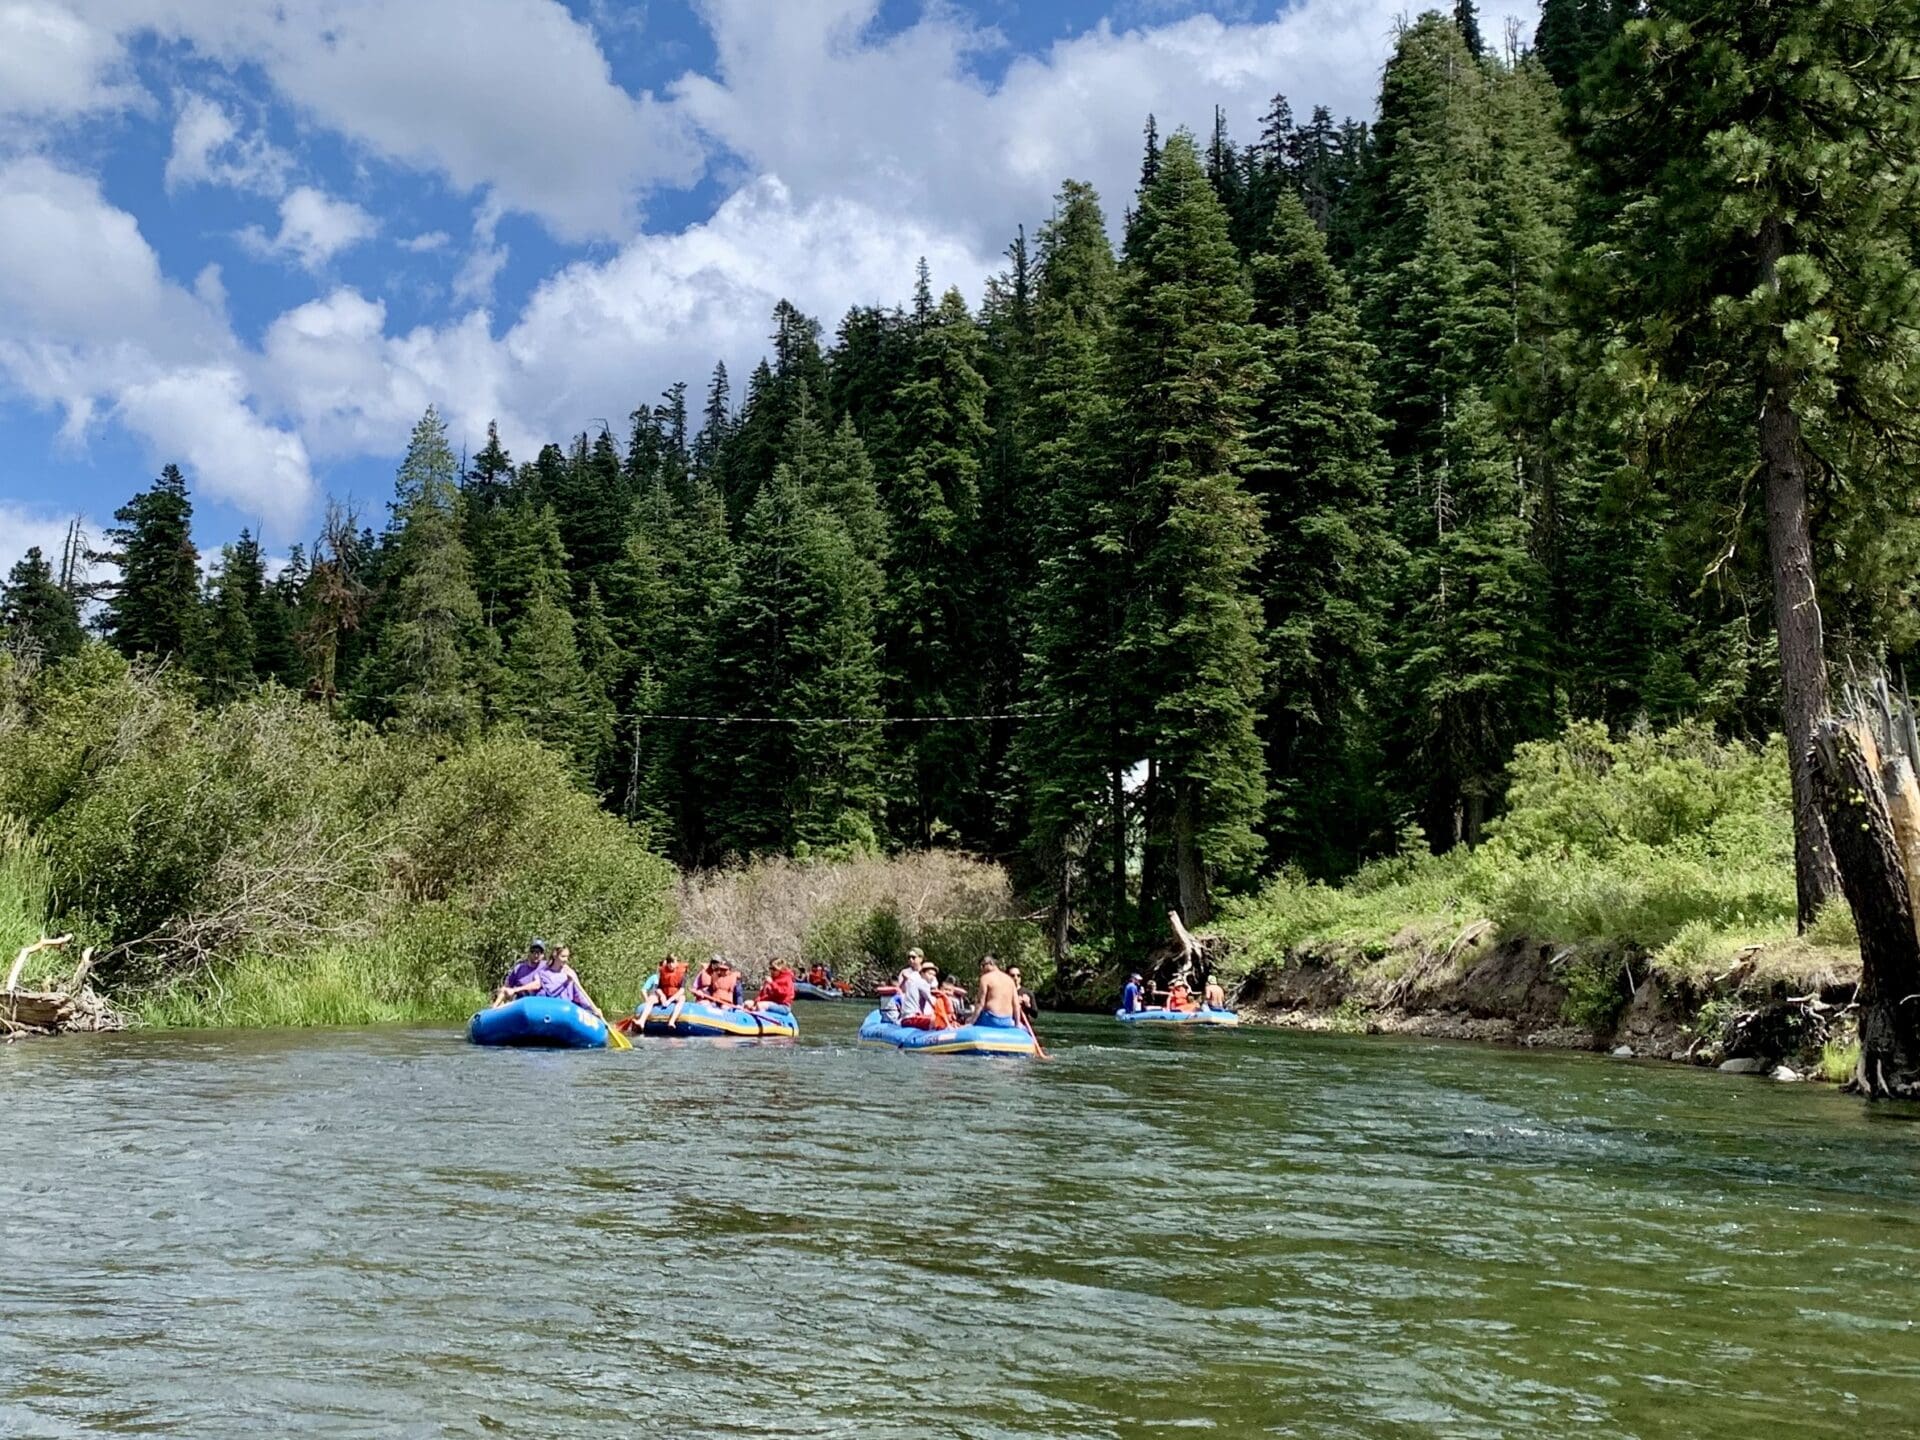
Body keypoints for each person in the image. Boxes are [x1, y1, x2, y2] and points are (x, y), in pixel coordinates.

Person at [966, 955, 1020, 1029]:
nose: (981, 969)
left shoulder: (985, 978)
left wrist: (971, 1022)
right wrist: (1017, 1024)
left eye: (983, 965)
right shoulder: (1010, 980)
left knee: (967, 1020)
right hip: (1007, 1020)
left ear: (991, 963)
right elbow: (1016, 1004)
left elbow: (980, 1003)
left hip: (991, 1019)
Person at [491, 938, 549, 1005]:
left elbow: (537, 984)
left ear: (543, 955)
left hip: (538, 1002)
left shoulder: (546, 967)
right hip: (521, 1003)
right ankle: (493, 1010)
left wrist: (516, 989)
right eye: (533, 951)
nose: (536, 955)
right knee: (503, 992)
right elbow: (507, 986)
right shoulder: (519, 968)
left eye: (539, 952)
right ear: (529, 952)